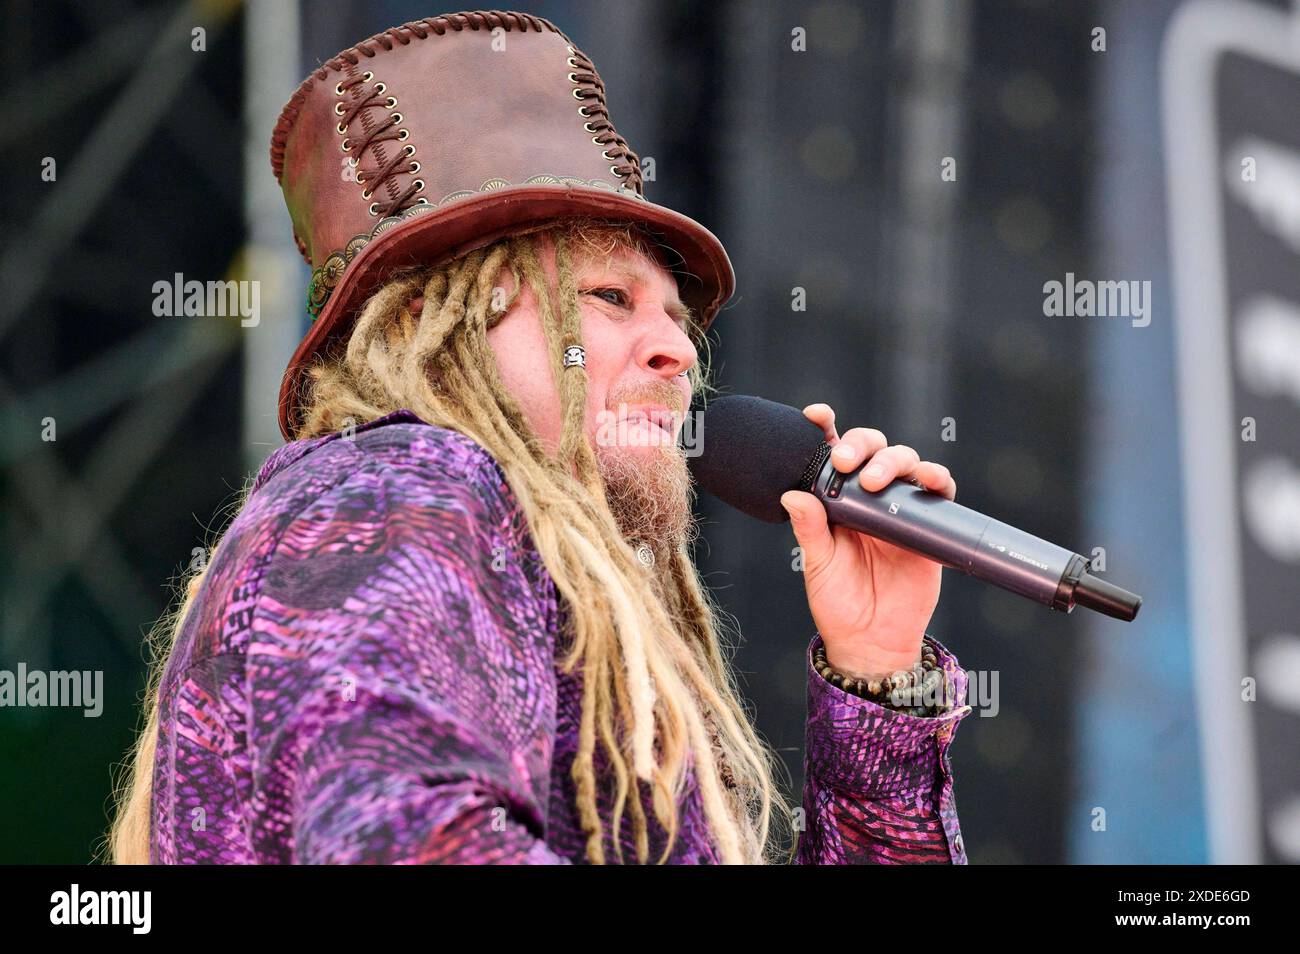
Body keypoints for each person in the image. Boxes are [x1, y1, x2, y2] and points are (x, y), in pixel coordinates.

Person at [108, 11, 973, 865]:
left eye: (676, 315)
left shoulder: (522, 565)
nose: (679, 349)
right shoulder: (394, 488)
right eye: (608, 298)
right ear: (426, 326)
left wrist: (878, 678)